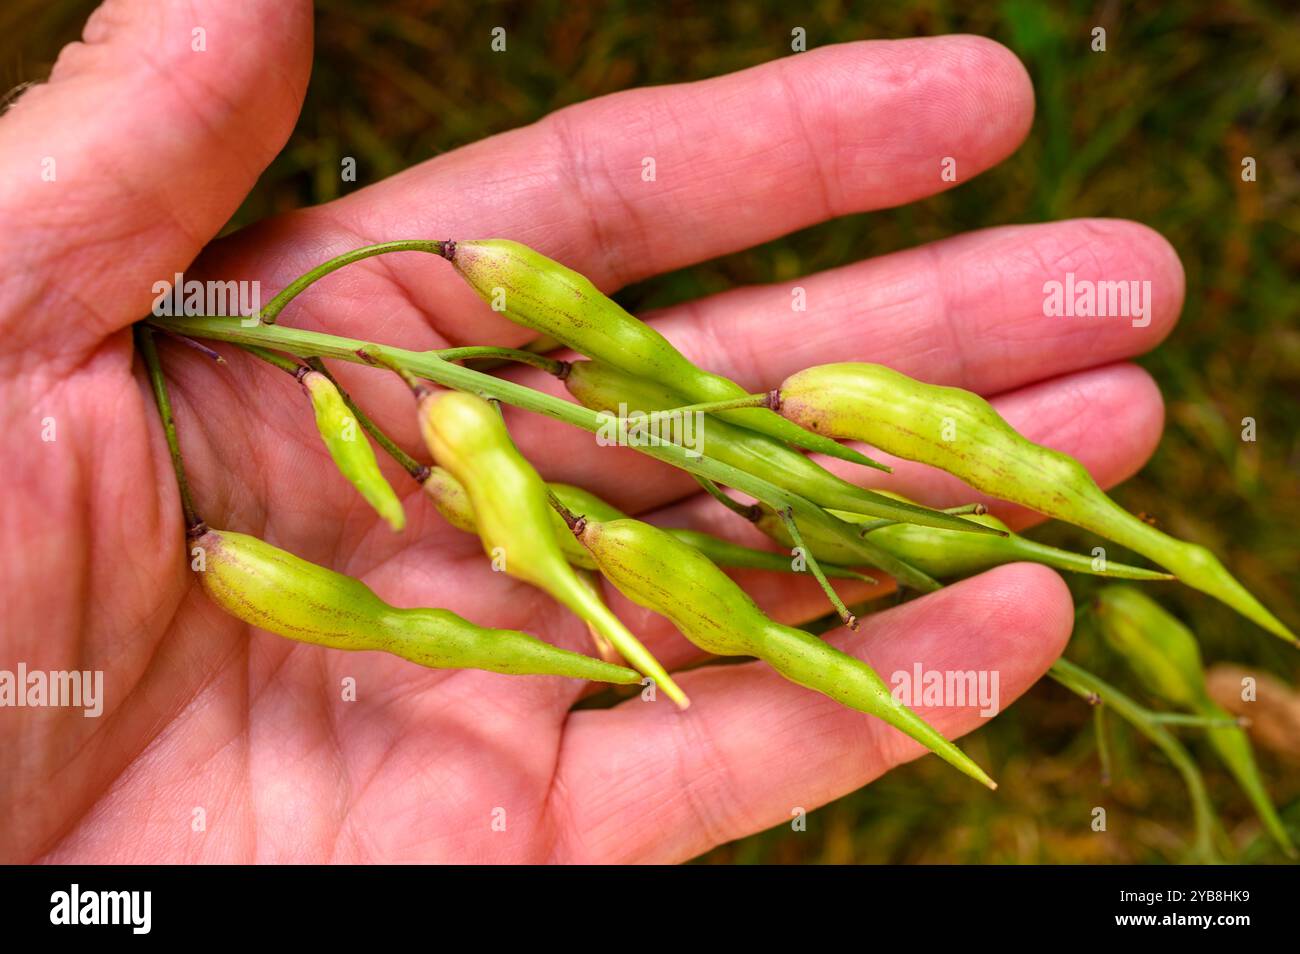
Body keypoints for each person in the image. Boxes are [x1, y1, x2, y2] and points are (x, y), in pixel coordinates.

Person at [0, 1, 1183, 863]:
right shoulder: (434, 404)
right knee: (662, 512)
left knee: (741, 476)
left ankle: (1106, 549)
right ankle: (1111, 552)